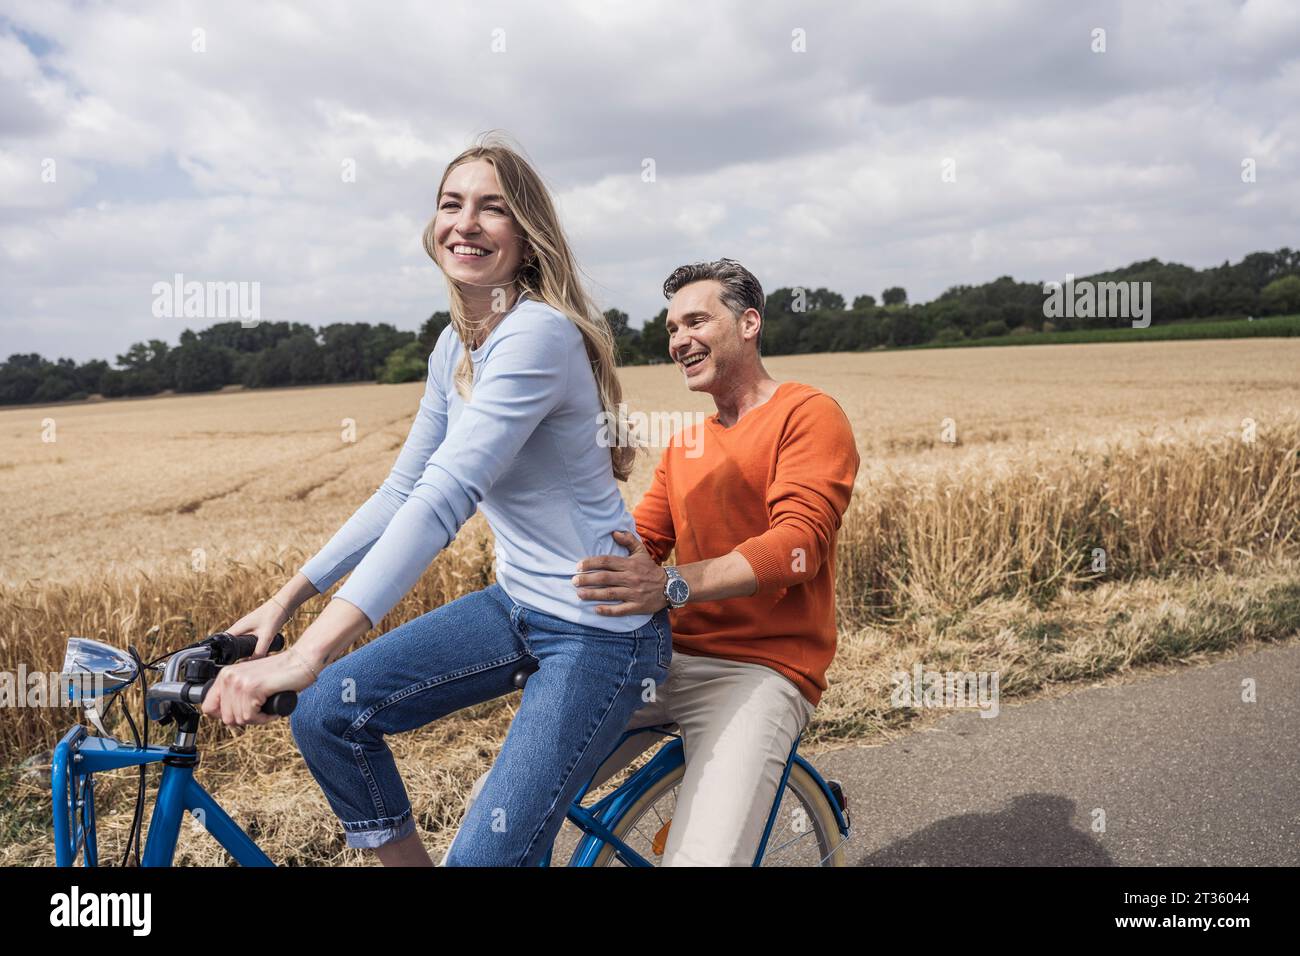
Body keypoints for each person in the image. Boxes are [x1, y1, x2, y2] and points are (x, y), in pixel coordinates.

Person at [200, 134, 670, 867]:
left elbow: (446, 497)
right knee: (328, 713)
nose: (466, 223)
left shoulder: (539, 336)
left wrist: (312, 653)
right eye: (452, 205)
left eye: (493, 209)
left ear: (526, 235)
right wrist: (286, 602)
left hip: (598, 632)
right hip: (518, 602)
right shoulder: (456, 348)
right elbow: (402, 490)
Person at [455, 257, 861, 866]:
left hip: (759, 671)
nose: (679, 341)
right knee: (495, 811)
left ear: (748, 323)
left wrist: (668, 586)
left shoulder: (808, 414)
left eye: (696, 321)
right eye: (671, 328)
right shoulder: (688, 442)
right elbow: (637, 543)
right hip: (657, 660)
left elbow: (797, 546)